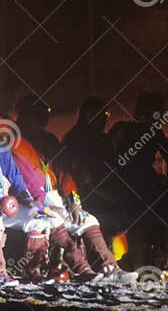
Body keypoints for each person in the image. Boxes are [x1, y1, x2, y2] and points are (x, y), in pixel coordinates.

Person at [0, 103, 100, 283]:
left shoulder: (1, 146)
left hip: (10, 205)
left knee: (39, 218)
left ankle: (34, 270)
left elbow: (15, 178)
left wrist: (30, 201)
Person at [11, 96, 137, 283]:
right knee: (53, 219)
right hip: (24, 201)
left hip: (52, 197)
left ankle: (110, 268)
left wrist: (73, 201)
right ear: (23, 113)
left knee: (87, 219)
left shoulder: (49, 140)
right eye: (37, 112)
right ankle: (82, 270)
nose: (43, 117)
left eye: (46, 113)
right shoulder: (10, 140)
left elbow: (64, 173)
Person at [108, 91, 168, 267]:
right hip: (140, 187)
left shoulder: (121, 128)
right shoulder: (153, 133)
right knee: (140, 227)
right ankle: (139, 265)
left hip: (121, 186)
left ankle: (138, 265)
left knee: (138, 229)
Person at [58, 97, 119, 225]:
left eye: (107, 114)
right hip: (94, 199)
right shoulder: (98, 140)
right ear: (89, 114)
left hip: (87, 197)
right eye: (102, 114)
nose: (104, 119)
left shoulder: (70, 137)